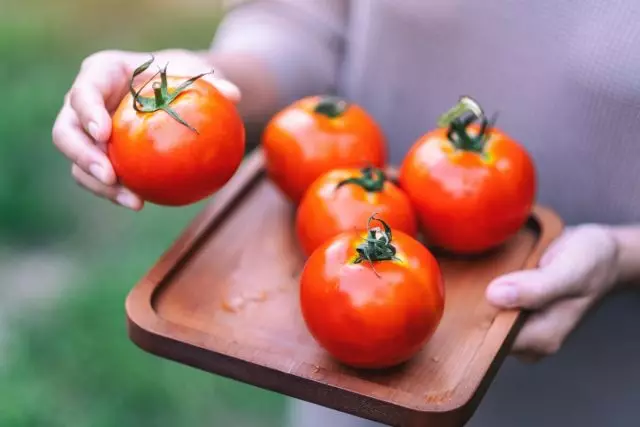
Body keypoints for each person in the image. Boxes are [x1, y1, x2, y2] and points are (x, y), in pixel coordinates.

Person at [52, 1, 640, 426]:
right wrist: (204, 76)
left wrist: (623, 257)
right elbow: (301, 22)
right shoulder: (357, 249)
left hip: (612, 374)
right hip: (345, 389)